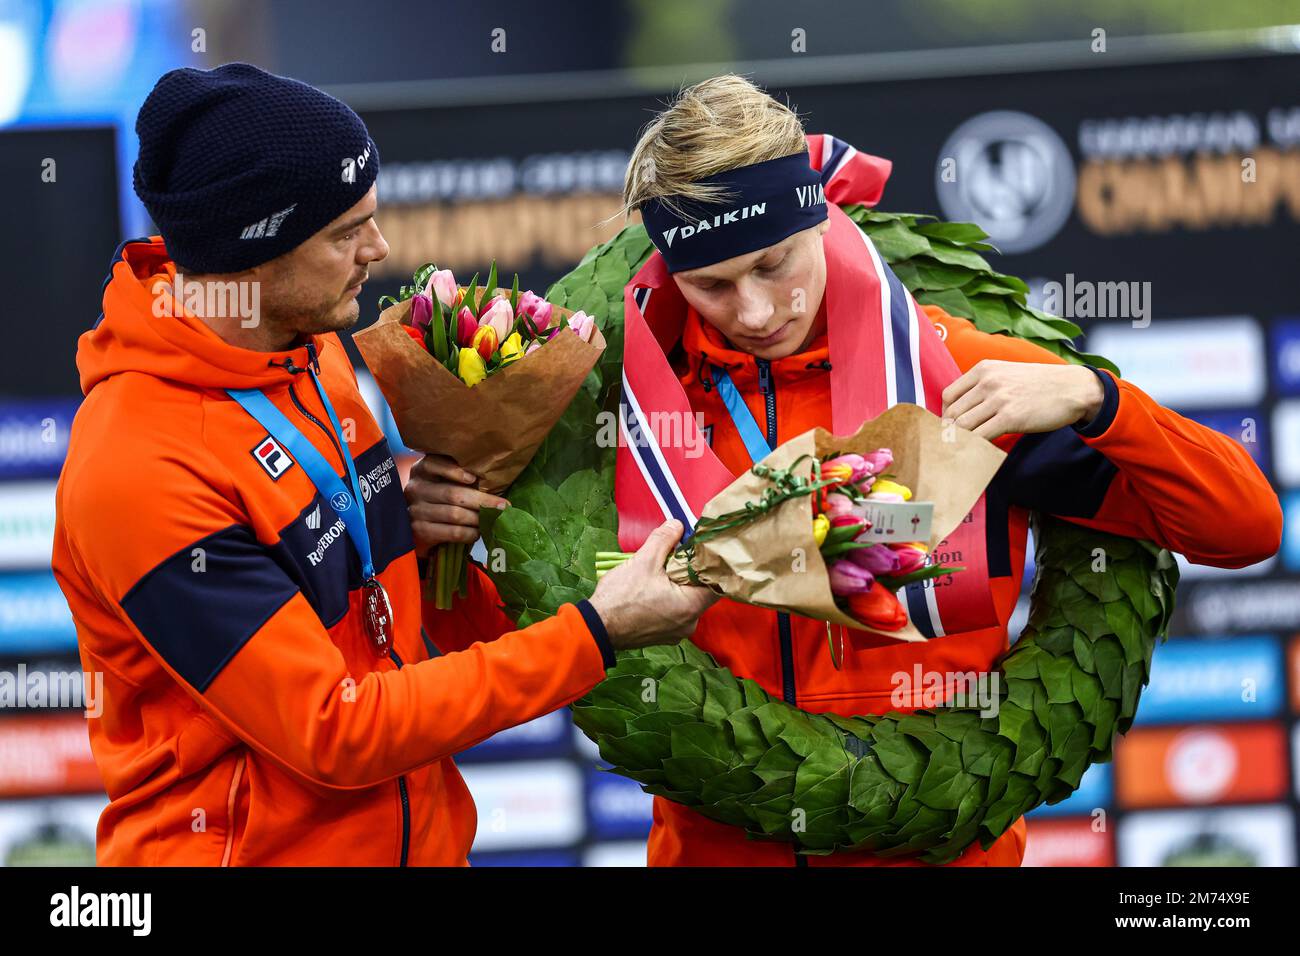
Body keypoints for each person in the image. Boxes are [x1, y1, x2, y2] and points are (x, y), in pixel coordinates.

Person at [608, 74, 1284, 866]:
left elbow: (1245, 530)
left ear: (819, 219)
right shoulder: (630, 410)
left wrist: (1101, 401)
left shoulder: (955, 376)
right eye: (711, 285)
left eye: (774, 263)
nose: (755, 312)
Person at [50, 62, 716, 866]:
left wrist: (412, 532)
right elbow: (338, 730)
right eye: (343, 232)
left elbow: (367, 610)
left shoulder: (308, 353)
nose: (380, 248)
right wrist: (596, 632)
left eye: (372, 216)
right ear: (250, 257)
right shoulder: (138, 467)